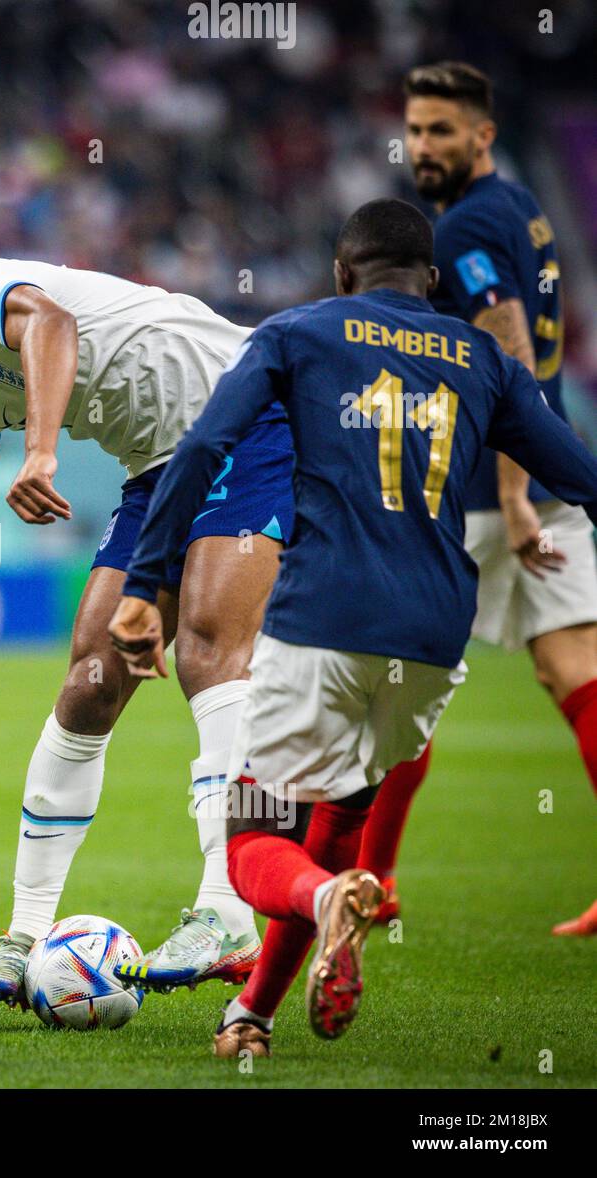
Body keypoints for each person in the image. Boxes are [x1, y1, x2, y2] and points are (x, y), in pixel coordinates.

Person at [110, 198, 597, 1057]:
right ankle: (252, 1017)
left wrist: (148, 583)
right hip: (435, 641)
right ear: (436, 282)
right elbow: (580, 474)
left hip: (320, 624)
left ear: (343, 273)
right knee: (339, 821)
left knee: (253, 835)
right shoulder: (482, 353)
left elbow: (199, 452)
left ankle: (327, 903)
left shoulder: (297, 332)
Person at [0, 248, 297, 1006]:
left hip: (253, 414)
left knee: (207, 650)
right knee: (89, 682)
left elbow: (51, 321)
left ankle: (228, 913)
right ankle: (26, 936)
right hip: (162, 466)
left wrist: (40, 452)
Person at [362, 61, 597, 936]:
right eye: (415, 130)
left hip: (492, 492)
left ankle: (370, 879)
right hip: (548, 467)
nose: (422, 147)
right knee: (572, 671)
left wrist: (510, 487)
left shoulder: (463, 226)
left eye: (441, 132)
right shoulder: (525, 206)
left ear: (482, 136)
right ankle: (372, 880)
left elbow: (503, 346)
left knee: (403, 685)